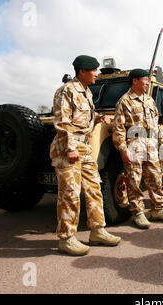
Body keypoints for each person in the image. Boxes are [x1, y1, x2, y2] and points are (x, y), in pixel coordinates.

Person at [50, 55, 121, 256]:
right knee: (70, 194)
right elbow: (63, 123)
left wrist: (98, 118)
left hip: (85, 148)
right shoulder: (66, 91)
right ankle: (66, 239)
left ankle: (97, 231)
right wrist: (70, 148)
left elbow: (82, 117)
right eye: (94, 71)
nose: (97, 75)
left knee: (94, 188)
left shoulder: (87, 92)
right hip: (68, 148)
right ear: (82, 71)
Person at [112, 69, 163, 229]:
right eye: (145, 80)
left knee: (155, 178)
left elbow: (155, 123)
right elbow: (118, 128)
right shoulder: (124, 101)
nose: (147, 83)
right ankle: (138, 213)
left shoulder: (149, 100)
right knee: (134, 181)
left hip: (151, 144)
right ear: (135, 81)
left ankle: (157, 210)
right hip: (134, 144)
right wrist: (122, 149)